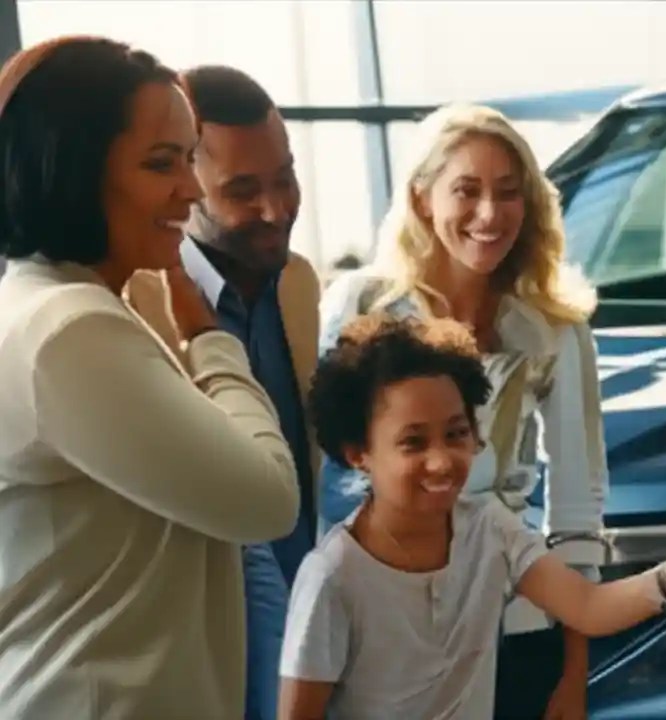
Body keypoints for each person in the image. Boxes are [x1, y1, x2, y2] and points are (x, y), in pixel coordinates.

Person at [0, 36, 299, 717]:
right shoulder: (69, 327)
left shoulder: (52, 305)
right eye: (163, 163)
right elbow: (268, 499)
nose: (192, 190)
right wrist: (210, 342)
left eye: (190, 159)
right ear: (72, 171)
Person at [279, 313, 666, 720]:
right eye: (413, 443)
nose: (442, 461)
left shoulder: (490, 526)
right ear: (359, 452)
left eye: (457, 433)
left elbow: (588, 607)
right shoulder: (332, 578)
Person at [318, 103, 607, 717]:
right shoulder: (360, 306)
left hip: (520, 638)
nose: (489, 214)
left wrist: (574, 673)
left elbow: (579, 515)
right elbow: (331, 489)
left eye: (508, 193)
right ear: (423, 199)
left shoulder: (556, 331)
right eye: (466, 191)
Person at [123, 64, 319, 720]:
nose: (277, 209)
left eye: (285, 177)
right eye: (243, 190)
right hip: (202, 635)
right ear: (187, 185)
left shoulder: (298, 284)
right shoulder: (135, 306)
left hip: (307, 611)